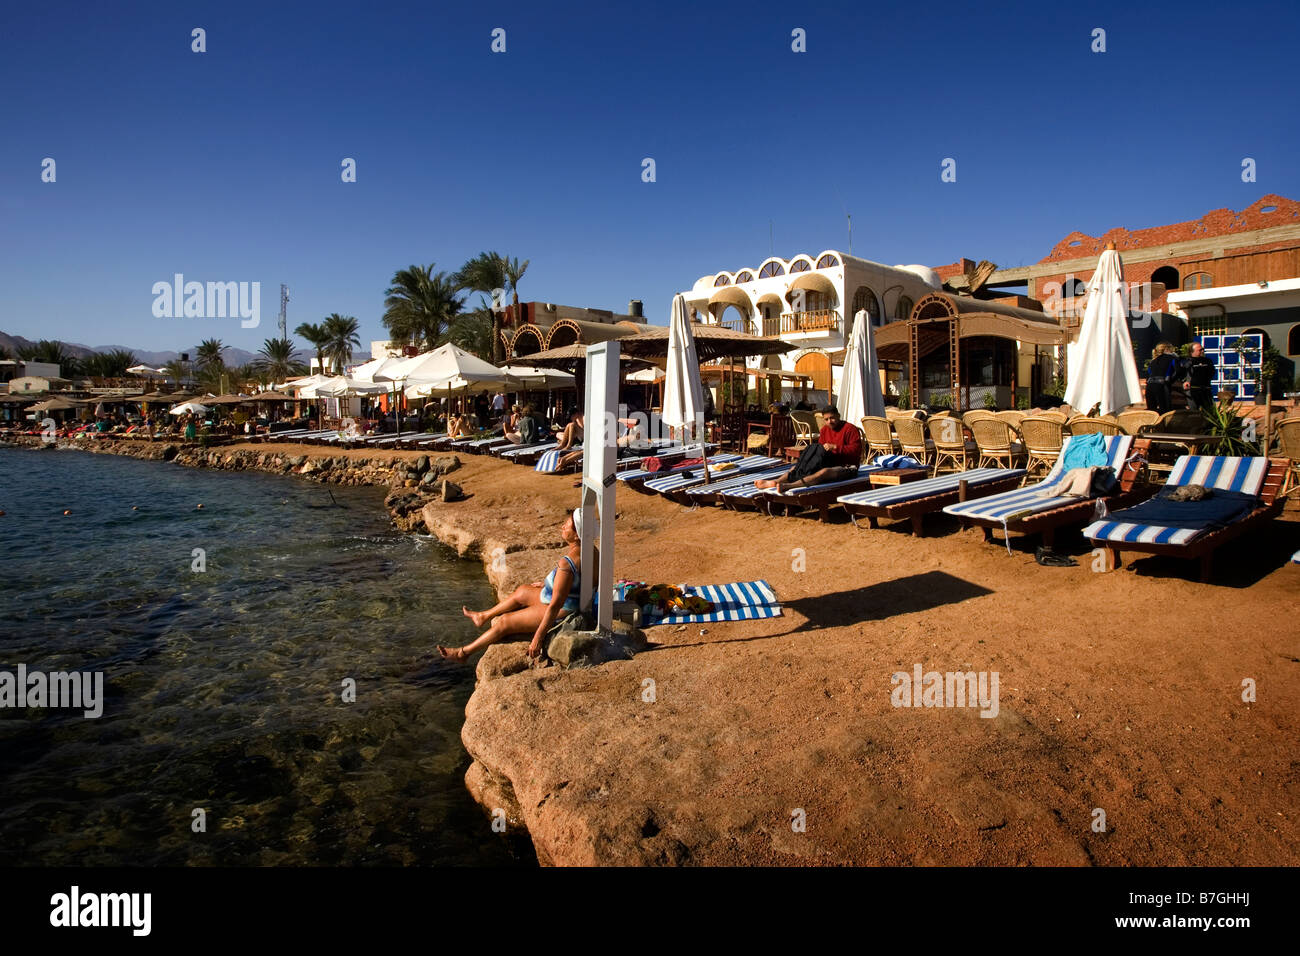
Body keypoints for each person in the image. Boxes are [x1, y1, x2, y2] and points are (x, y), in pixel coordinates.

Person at [442, 509, 592, 662]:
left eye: (567, 526)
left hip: (563, 610)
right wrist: (552, 583)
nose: (562, 527)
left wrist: (538, 638)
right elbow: (578, 581)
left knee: (505, 621)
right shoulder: (592, 551)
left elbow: (555, 604)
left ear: (576, 535)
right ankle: (483, 616)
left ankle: (463, 653)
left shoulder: (567, 564)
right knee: (522, 592)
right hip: (572, 600)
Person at [754, 404, 861, 491]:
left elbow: (856, 450)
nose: (829, 421)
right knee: (797, 467)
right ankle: (776, 481)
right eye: (826, 419)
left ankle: (789, 486)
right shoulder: (824, 430)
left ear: (838, 415)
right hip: (830, 462)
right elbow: (820, 451)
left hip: (848, 466)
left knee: (823, 472)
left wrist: (835, 447)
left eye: (832, 418)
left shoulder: (850, 429)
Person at [1145, 342, 1180, 414]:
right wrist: (1170, 381)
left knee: (1151, 411)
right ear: (1167, 349)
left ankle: (1153, 425)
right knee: (1165, 411)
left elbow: (1148, 375)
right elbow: (1178, 371)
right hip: (1162, 385)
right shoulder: (1172, 358)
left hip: (1149, 387)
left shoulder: (1153, 361)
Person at [1182, 342, 1216, 412]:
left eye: (1202, 349)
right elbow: (1181, 374)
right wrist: (1184, 381)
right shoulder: (1187, 362)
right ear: (1192, 351)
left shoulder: (1207, 361)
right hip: (1193, 390)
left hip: (1206, 389)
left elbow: (1212, 372)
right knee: (1194, 412)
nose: (1202, 351)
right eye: (1200, 350)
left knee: (1210, 411)